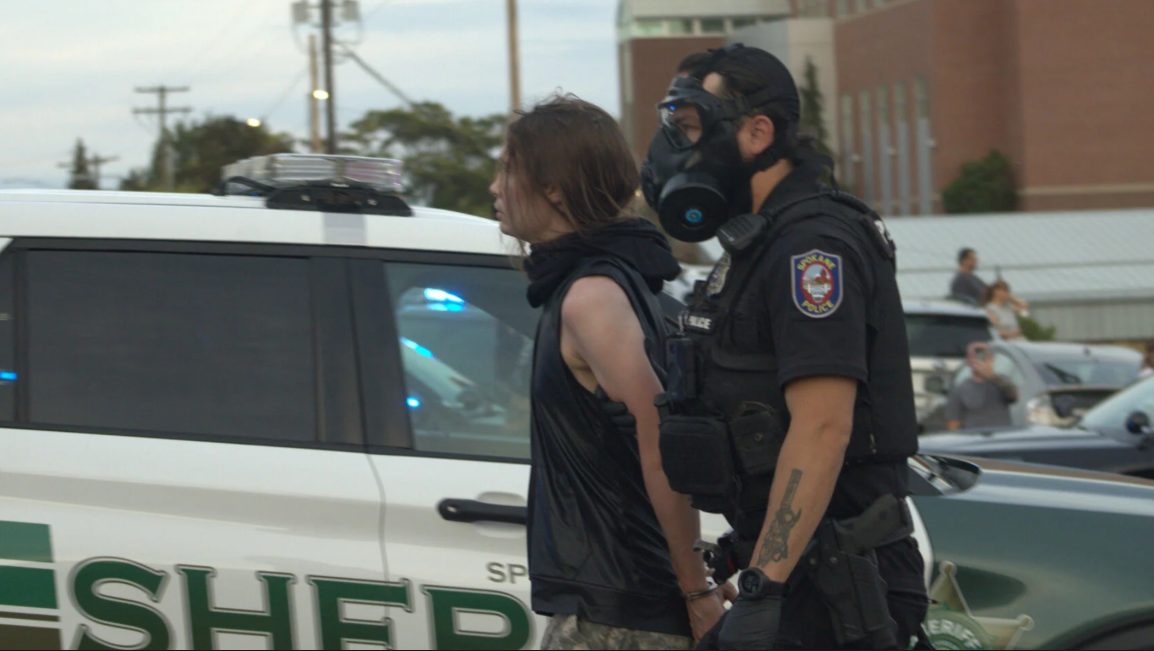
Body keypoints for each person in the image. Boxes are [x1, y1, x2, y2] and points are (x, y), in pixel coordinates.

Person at [641, 45, 928, 649]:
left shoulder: (811, 250)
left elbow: (824, 426)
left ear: (757, 131)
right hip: (794, 574)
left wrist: (764, 588)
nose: (680, 148)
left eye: (693, 128)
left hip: (834, 586)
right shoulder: (761, 245)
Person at [490, 95, 729, 650]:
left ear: (554, 187)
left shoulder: (591, 298)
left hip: (624, 612)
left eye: (507, 168)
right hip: (622, 601)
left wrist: (696, 593)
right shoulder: (611, 282)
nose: (495, 187)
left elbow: (660, 446)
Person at [945, 342, 1019, 430]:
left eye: (983, 356)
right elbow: (953, 422)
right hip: (975, 439)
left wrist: (992, 376)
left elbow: (1013, 396)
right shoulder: (960, 388)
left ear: (991, 359)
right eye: (975, 357)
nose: (979, 360)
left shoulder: (1001, 381)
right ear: (968, 361)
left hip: (999, 438)